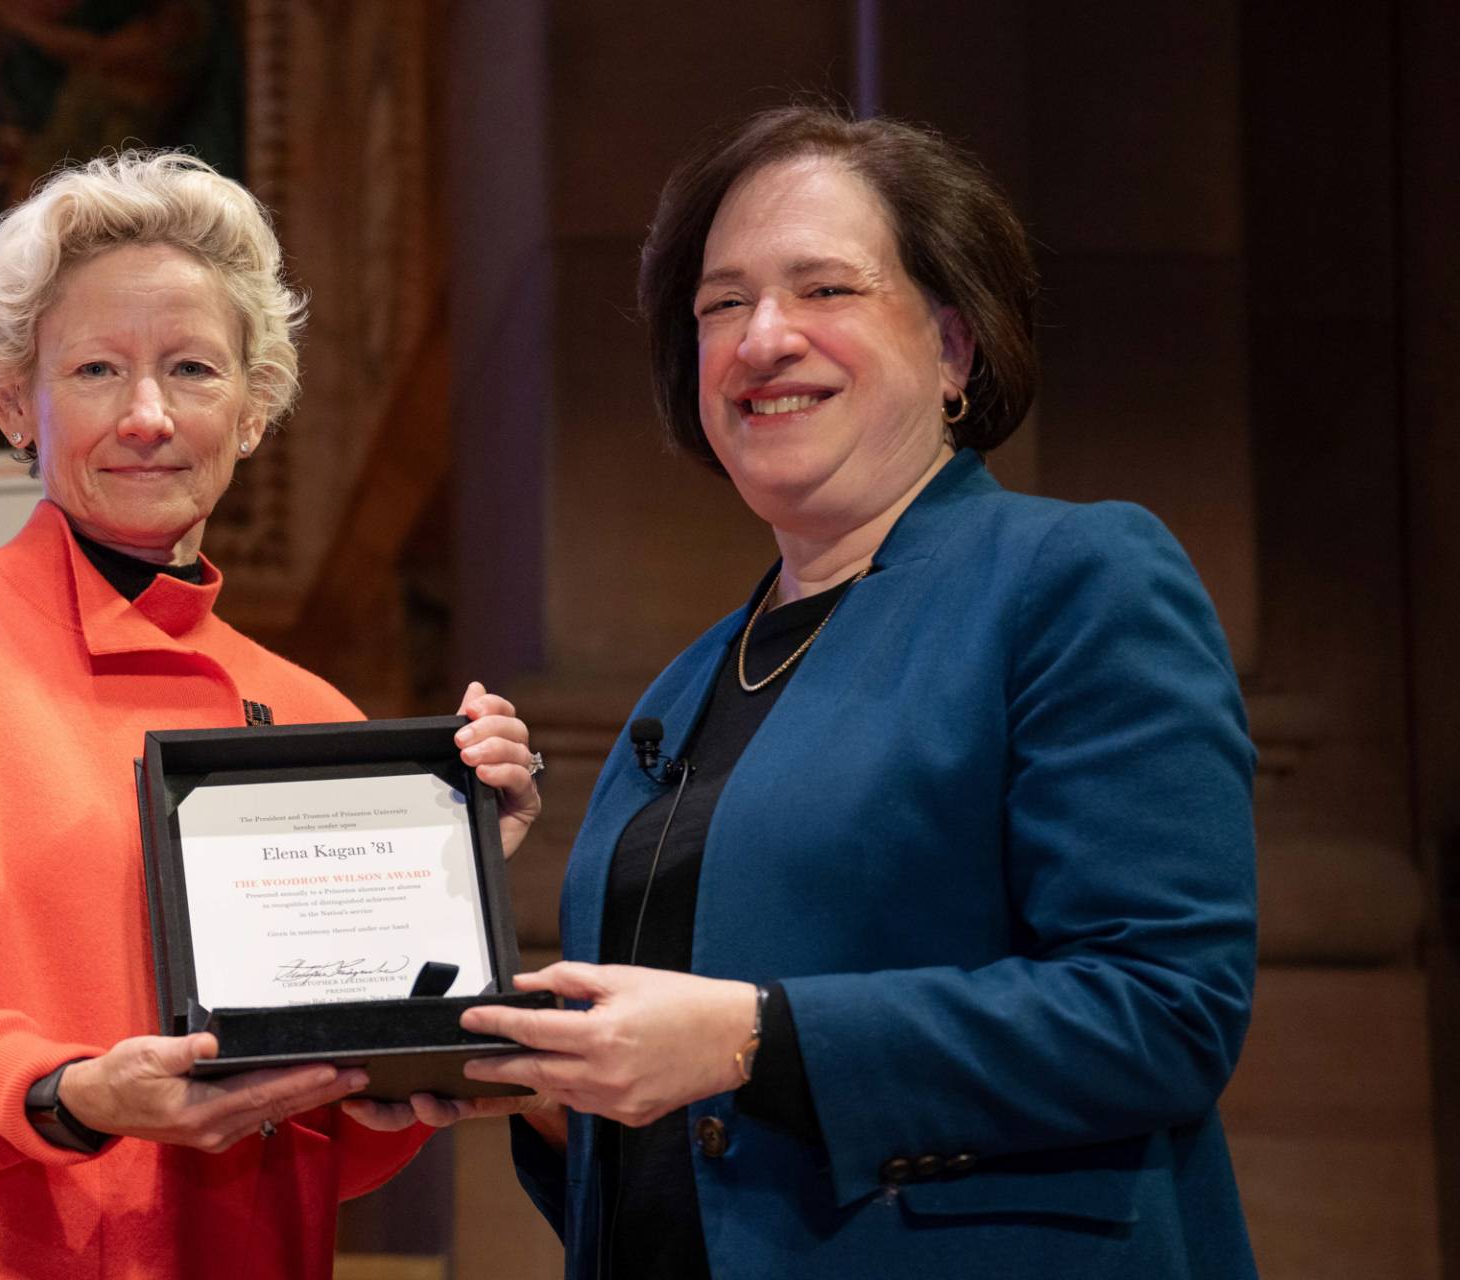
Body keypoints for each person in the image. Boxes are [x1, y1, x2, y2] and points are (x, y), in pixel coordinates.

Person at [455, 106, 1259, 1278]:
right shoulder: (689, 681)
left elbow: (1162, 1009)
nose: (762, 337)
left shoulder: (1073, 578)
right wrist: (533, 1092)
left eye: (824, 288)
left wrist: (748, 1036)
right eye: (722, 304)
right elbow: (698, 1132)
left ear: (954, 348)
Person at [0, 150, 541, 1279]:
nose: (146, 415)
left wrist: (450, 881)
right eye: (93, 370)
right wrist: (69, 1091)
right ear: (10, 403)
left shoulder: (317, 712)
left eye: (191, 369)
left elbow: (332, 1144)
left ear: (255, 410)